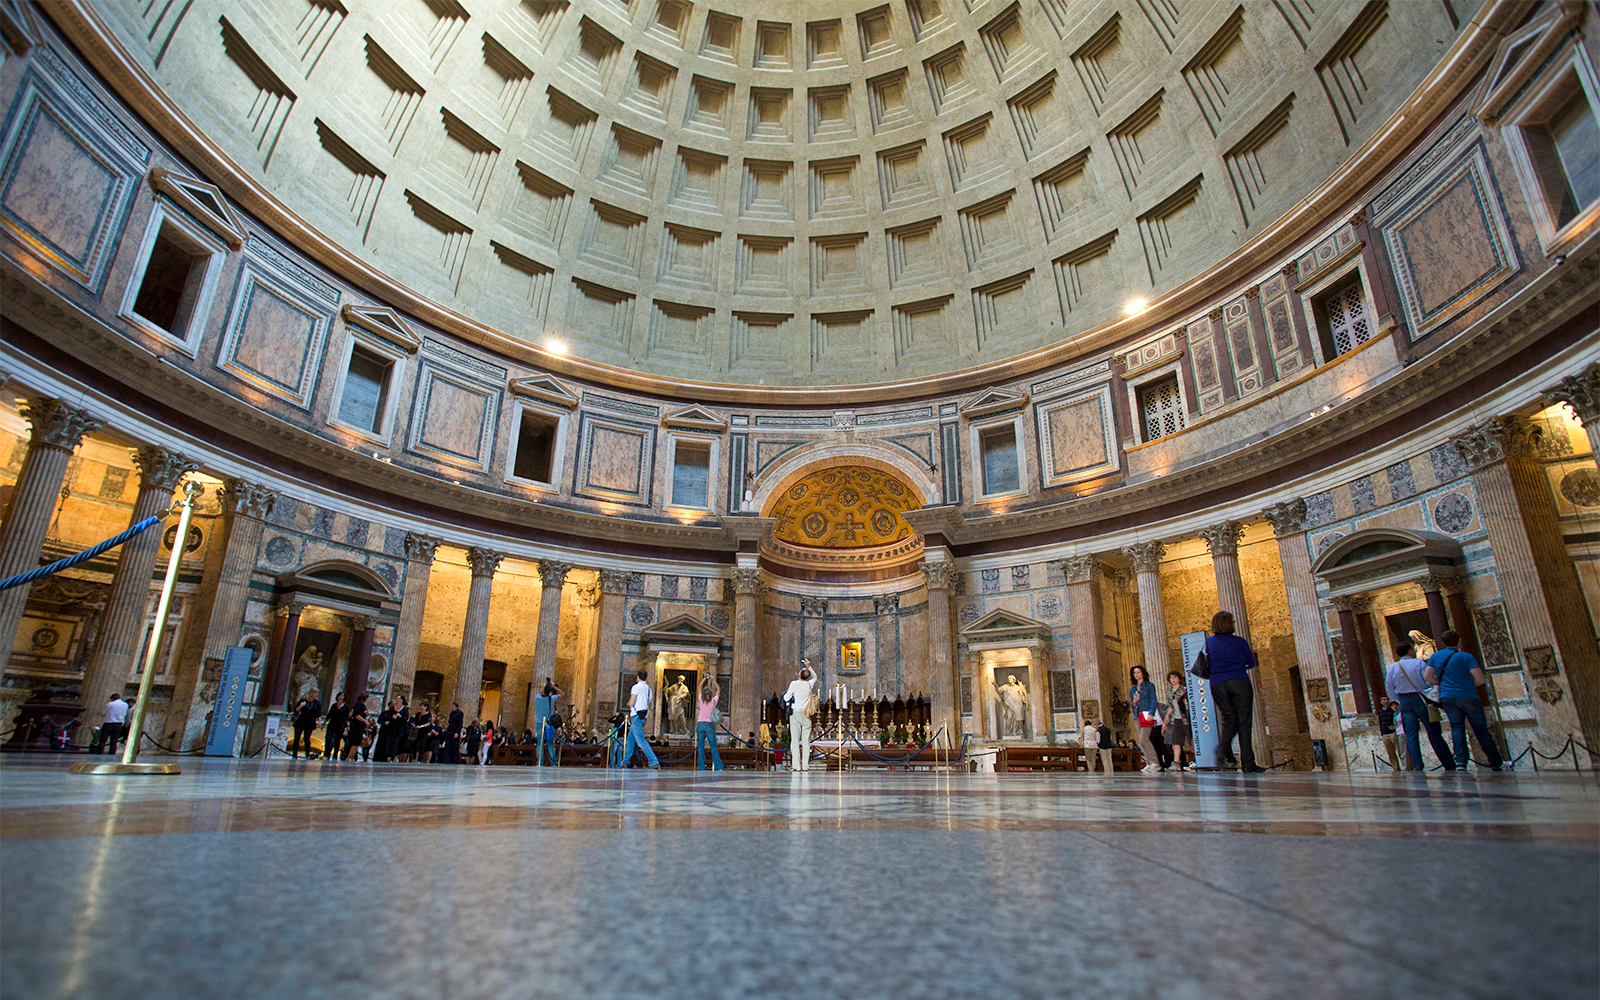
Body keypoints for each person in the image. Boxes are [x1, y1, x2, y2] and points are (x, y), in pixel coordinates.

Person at [1424, 630, 1505, 771]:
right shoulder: (1465, 656)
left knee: (1456, 727)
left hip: (1448, 697)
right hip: (1468, 696)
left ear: (1443, 642)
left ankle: (1461, 762)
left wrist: (1440, 683)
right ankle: (1495, 761)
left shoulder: (1436, 656)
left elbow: (1428, 677)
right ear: (1459, 641)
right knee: (1481, 730)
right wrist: (1469, 684)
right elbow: (1480, 679)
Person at [1206, 611, 1264, 773]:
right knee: (1244, 722)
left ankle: (1223, 748)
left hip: (1217, 684)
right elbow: (1251, 662)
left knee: (1230, 718)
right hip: (1239, 681)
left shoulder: (1210, 642)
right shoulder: (1239, 642)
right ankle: (1248, 763)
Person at [1384, 640, 1455, 771]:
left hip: (1404, 700)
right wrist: (1429, 693)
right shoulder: (1419, 663)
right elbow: (1429, 680)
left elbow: (1389, 688)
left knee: (1411, 733)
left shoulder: (1393, 667)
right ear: (1409, 651)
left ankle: (1417, 764)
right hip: (1420, 698)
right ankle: (1448, 763)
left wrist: (1398, 699)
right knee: (1433, 731)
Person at [618, 669, 660, 768]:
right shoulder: (649, 689)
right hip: (644, 716)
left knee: (640, 740)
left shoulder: (636, 687)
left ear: (637, 677)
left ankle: (653, 761)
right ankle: (625, 761)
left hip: (636, 715)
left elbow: (632, 701)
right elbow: (649, 703)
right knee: (630, 740)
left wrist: (628, 704)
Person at [1128, 665, 1162, 773]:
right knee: (1140, 741)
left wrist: (1151, 713)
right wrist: (1134, 701)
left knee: (1144, 738)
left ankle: (1155, 762)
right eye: (1134, 673)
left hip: (1147, 715)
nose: (1137, 675)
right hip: (1137, 716)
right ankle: (1149, 762)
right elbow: (1132, 705)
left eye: (1138, 672)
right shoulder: (1133, 689)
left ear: (1143, 673)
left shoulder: (1149, 686)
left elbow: (1154, 701)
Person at [784, 660, 817, 772]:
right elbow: (815, 676)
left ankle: (796, 766)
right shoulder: (809, 684)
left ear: (799, 674)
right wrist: (809, 667)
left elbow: (786, 698)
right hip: (806, 714)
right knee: (805, 741)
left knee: (795, 740)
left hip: (796, 713)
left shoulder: (794, 684)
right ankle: (805, 766)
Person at [1164, 671, 1193, 771]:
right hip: (1176, 719)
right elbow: (1171, 706)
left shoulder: (1185, 690)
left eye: (1175, 677)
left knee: (1191, 740)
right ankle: (1176, 762)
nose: (1173, 679)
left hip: (1186, 718)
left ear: (1179, 679)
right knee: (1176, 742)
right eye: (1171, 677)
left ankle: (1195, 761)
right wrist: (1167, 715)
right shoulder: (1169, 692)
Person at [695, 675, 724, 771]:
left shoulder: (700, 700)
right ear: (711, 694)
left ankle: (701, 767)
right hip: (709, 725)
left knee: (701, 747)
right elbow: (719, 689)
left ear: (703, 694)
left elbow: (699, 687)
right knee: (713, 747)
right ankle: (718, 767)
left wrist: (704, 678)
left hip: (700, 724)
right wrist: (712, 680)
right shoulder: (713, 701)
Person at [290, 690, 320, 759]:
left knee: (307, 738)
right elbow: (296, 710)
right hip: (301, 720)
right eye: (316, 693)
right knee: (297, 738)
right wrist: (301, 706)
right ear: (312, 694)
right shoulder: (303, 700)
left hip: (310, 721)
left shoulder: (317, 703)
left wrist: (319, 721)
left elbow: (318, 713)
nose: (317, 695)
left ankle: (307, 754)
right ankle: (294, 754)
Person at [1376, 697, 1401, 771]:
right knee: (1391, 753)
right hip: (1385, 734)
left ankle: (1406, 766)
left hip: (1393, 733)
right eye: (1384, 700)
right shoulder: (1380, 711)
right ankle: (1396, 768)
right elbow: (1380, 722)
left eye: (1387, 699)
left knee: (1400, 751)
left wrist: (1395, 727)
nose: (1386, 701)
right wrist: (1382, 733)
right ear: (1381, 702)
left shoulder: (1392, 710)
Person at [324, 691, 349, 762]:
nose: (341, 697)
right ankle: (327, 754)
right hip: (332, 724)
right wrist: (324, 722)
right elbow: (329, 715)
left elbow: (346, 717)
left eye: (342, 696)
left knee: (337, 740)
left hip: (340, 725)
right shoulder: (334, 706)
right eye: (339, 696)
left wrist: (347, 726)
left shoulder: (346, 707)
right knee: (328, 739)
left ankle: (335, 756)